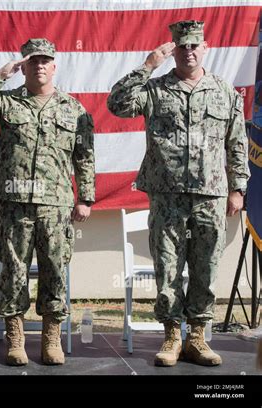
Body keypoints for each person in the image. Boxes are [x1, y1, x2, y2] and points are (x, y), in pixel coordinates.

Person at [107, 20, 249, 367]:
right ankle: (172, 336)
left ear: (205, 48)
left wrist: (238, 187)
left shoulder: (224, 92)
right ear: (173, 49)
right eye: (182, 46)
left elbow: (237, 143)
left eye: (194, 46)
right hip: (167, 195)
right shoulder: (155, 89)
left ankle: (197, 338)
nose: (188, 52)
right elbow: (116, 104)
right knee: (168, 268)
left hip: (210, 194)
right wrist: (147, 66)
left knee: (206, 268)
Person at [0, 38, 95, 365]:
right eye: (32, 60)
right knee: (13, 270)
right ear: (24, 65)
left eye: (45, 60)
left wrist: (86, 198)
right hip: (14, 202)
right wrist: (0, 75)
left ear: (54, 66)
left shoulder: (73, 108)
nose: (39, 65)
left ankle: (51, 339)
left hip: (55, 204)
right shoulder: (7, 102)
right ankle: (15, 339)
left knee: (54, 269)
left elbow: (85, 157)